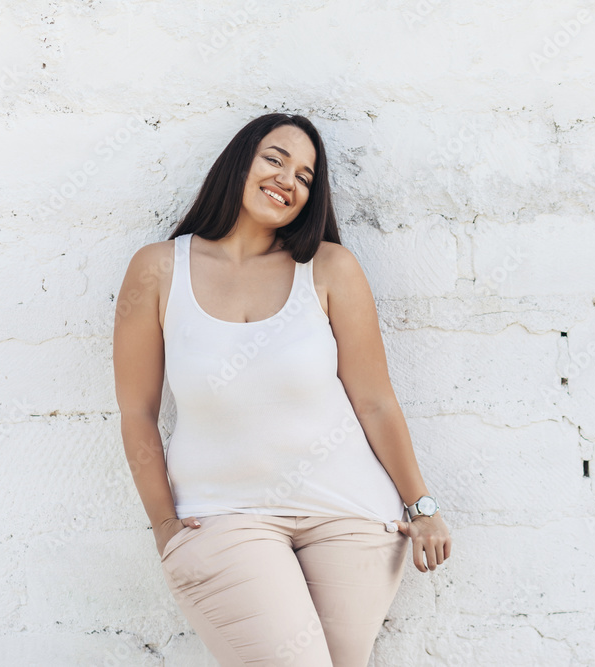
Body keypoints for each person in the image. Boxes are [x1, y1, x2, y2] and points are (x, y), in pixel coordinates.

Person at [112, 112, 452, 666]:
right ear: (239, 162)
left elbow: (374, 401)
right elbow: (137, 412)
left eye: (305, 176)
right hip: (224, 516)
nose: (287, 180)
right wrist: (165, 527)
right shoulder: (158, 269)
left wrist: (423, 507)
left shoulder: (330, 268)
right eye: (275, 159)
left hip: (351, 516)